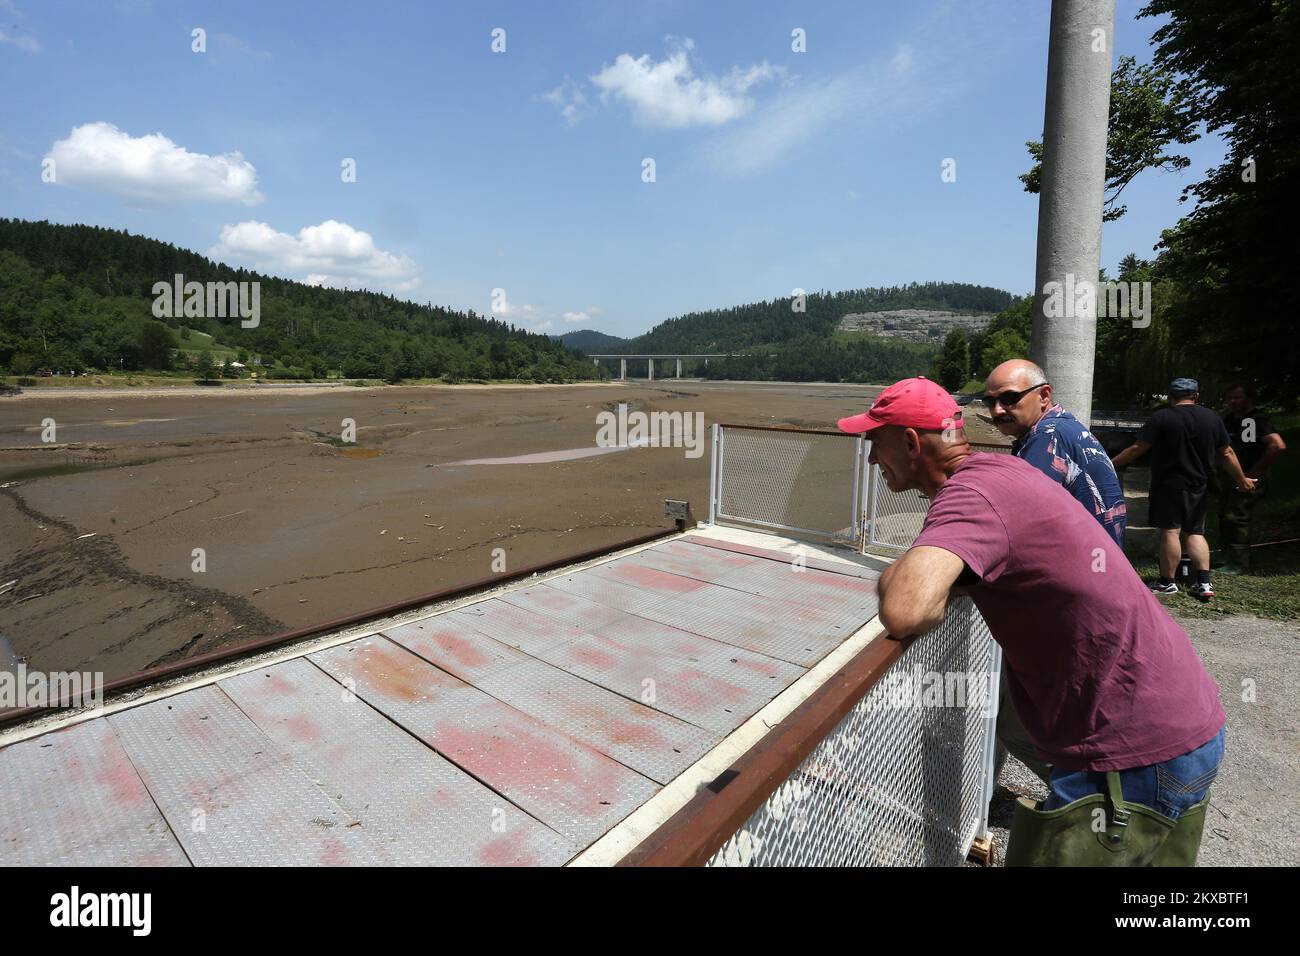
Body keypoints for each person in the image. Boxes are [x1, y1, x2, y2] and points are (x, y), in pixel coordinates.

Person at [839, 376, 1226, 866]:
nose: (872, 460)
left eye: (875, 443)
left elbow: (906, 608)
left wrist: (905, 577)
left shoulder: (971, 497)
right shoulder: (1001, 471)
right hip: (1181, 724)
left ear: (911, 442)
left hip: (1131, 755)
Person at [1112, 378, 1255, 602]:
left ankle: (1167, 582)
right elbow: (1227, 453)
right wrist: (1242, 479)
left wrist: (1110, 464)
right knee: (1195, 532)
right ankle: (1204, 583)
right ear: (1196, 396)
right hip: (1199, 484)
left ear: (1171, 396)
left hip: (1169, 484)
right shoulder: (1212, 418)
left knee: (1170, 532)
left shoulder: (1161, 417)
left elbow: (1138, 448)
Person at [983, 359, 1127, 547]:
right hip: (1103, 562)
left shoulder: (1048, 436)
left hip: (1080, 566)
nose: (997, 410)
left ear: (1044, 395)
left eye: (1009, 398)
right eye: (989, 401)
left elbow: (1019, 514)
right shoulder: (1064, 425)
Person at [1218, 383, 1287, 573]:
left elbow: (1277, 445)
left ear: (1249, 398)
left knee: (1237, 516)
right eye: (1229, 398)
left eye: (1237, 397)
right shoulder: (1229, 420)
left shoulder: (1258, 419)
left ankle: (1239, 563)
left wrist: (1256, 471)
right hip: (1231, 476)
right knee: (1224, 515)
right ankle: (1226, 556)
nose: (1232, 401)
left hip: (1249, 477)